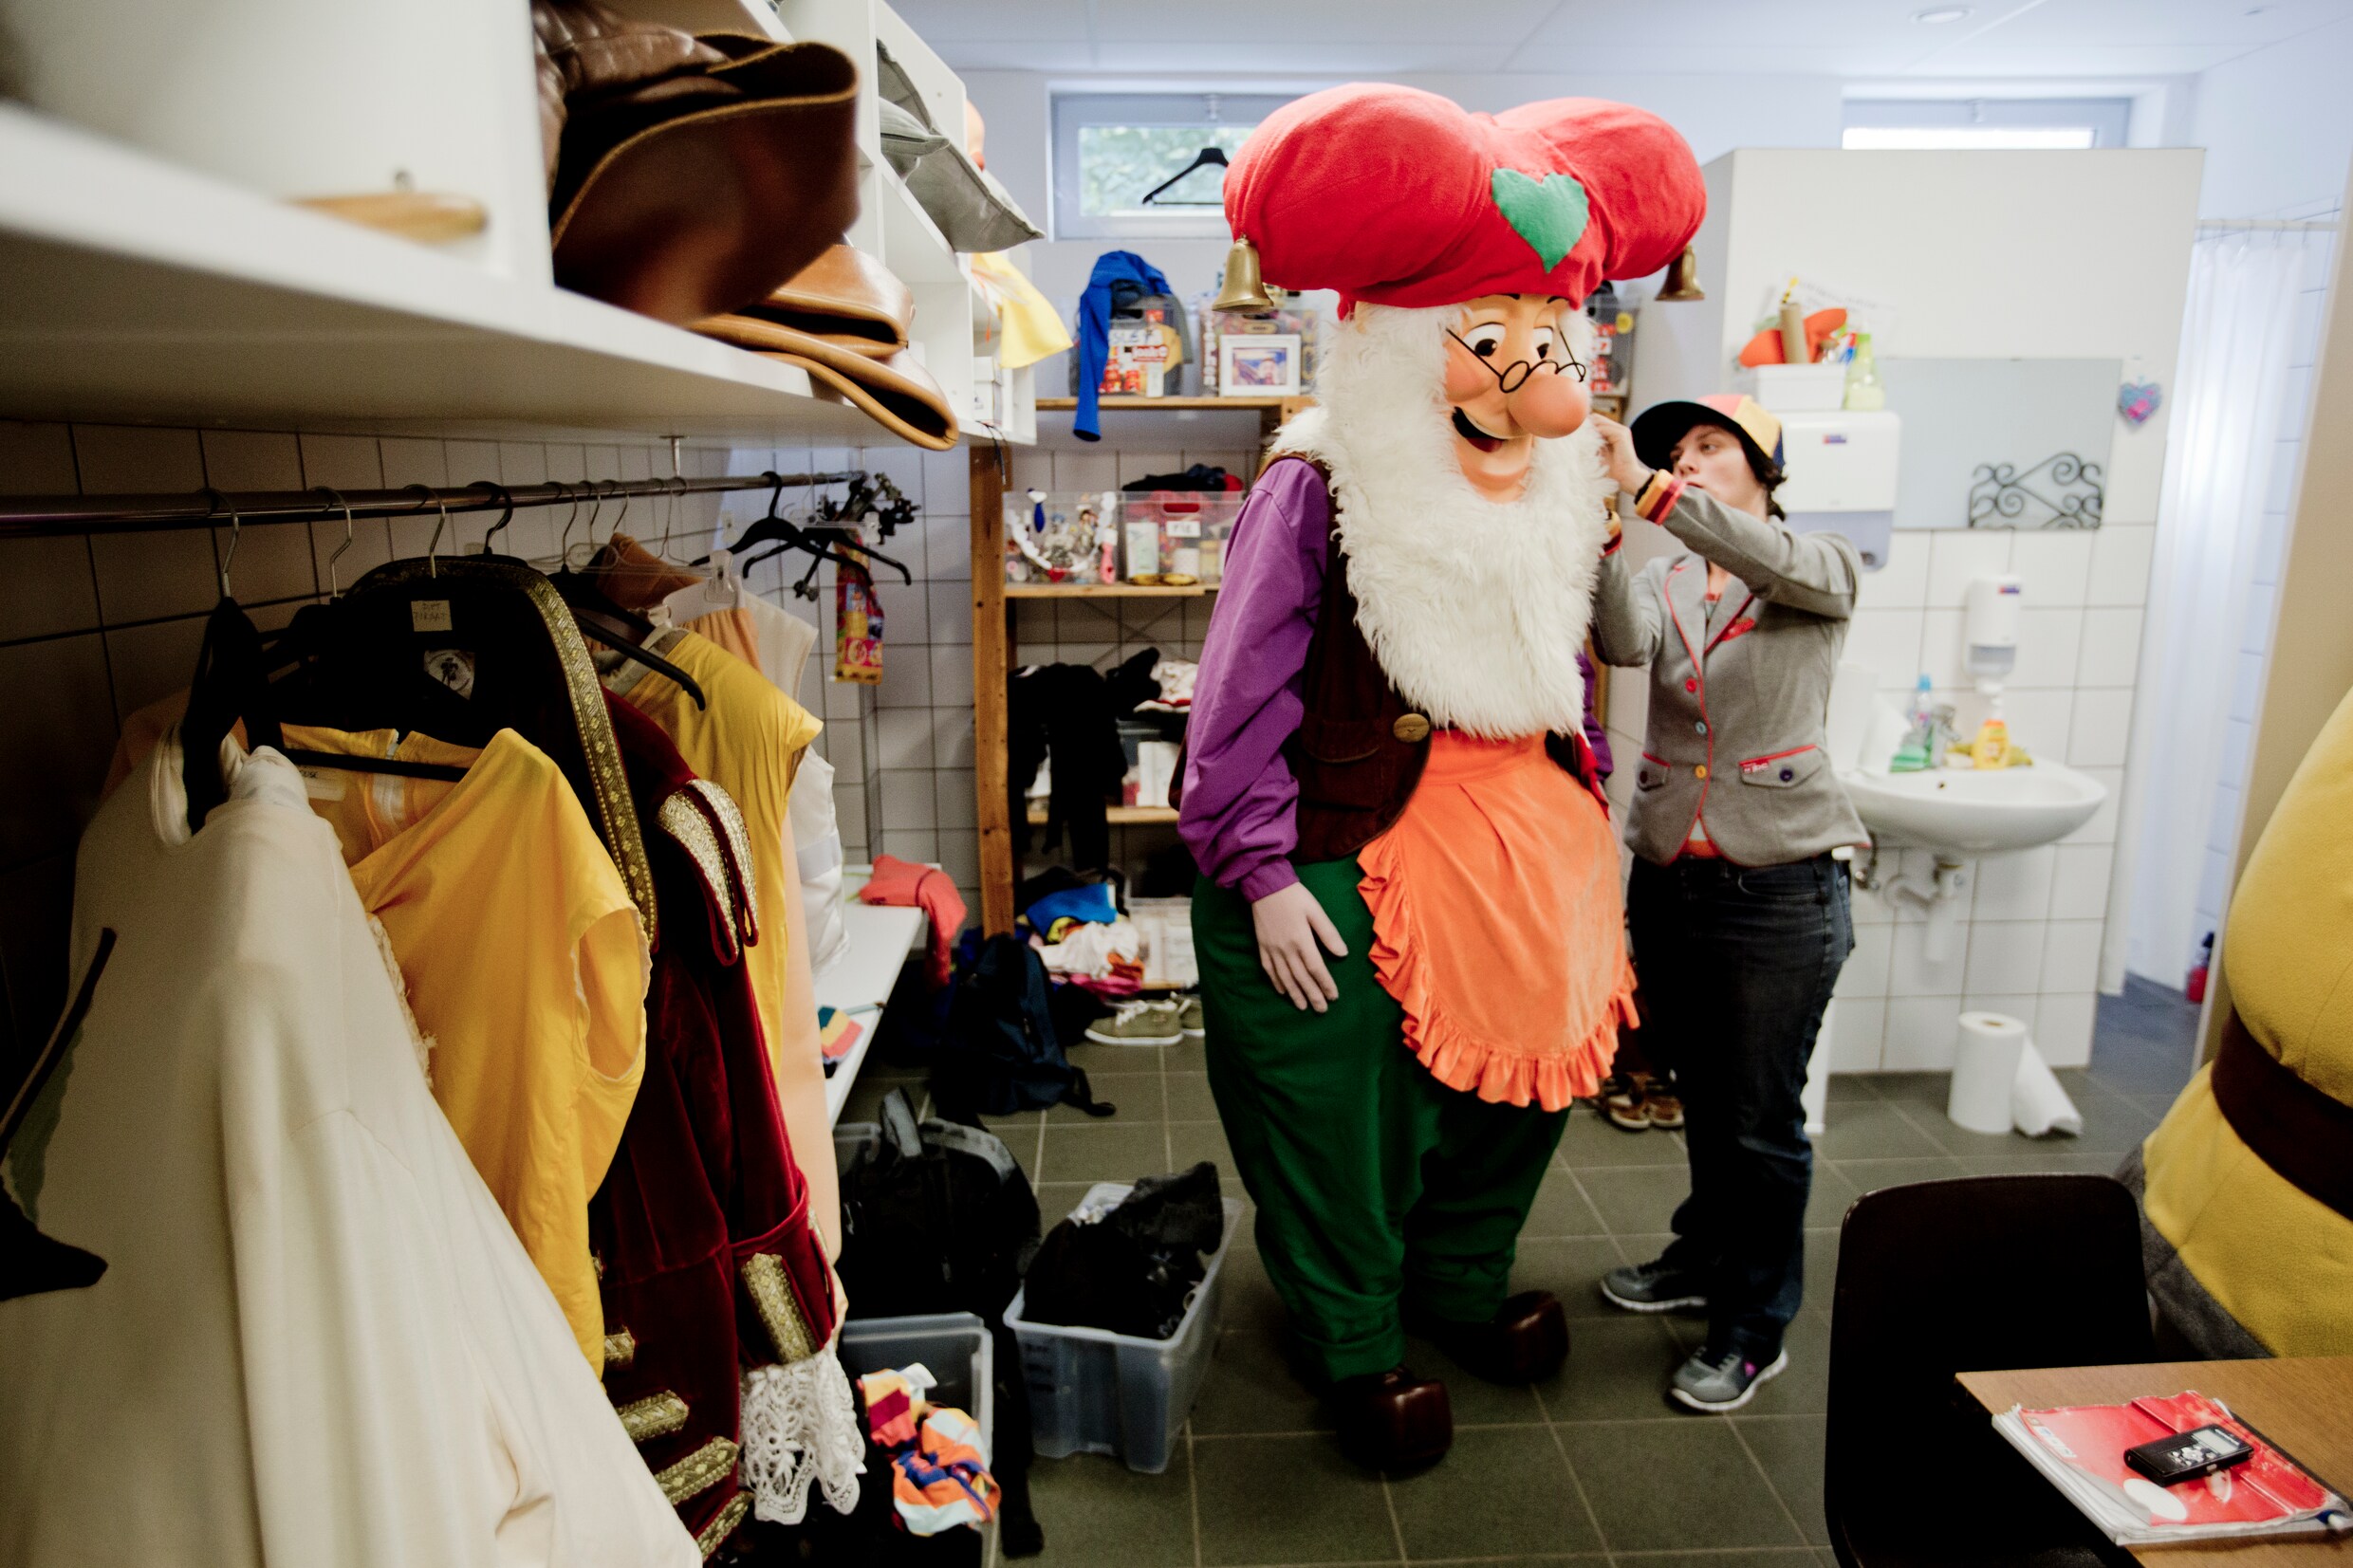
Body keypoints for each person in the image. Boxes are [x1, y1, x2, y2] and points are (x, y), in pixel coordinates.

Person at [1176, 83, 1703, 1469]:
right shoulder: (1319, 479)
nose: (1534, 374)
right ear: (1409, 349)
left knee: (1512, 1098)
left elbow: (1578, 663)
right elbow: (1240, 692)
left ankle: (1458, 1281)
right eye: (1494, 341)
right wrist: (1262, 868)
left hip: (1526, 859)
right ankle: (1354, 1334)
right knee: (1345, 1115)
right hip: (1357, 849)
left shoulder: (1553, 484)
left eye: (1550, 340)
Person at [1587, 395, 1864, 1412]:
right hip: (1671, 872)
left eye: (1710, 447)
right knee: (1701, 1096)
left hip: (1778, 887)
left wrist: (1649, 486)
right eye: (1674, 451)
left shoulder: (1812, 566)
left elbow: (1782, 567)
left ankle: (1754, 1326)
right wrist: (1603, 530)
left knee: (1757, 1119)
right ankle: (1701, 1258)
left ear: (1762, 466)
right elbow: (1621, 644)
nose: (1686, 462)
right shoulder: (1669, 575)